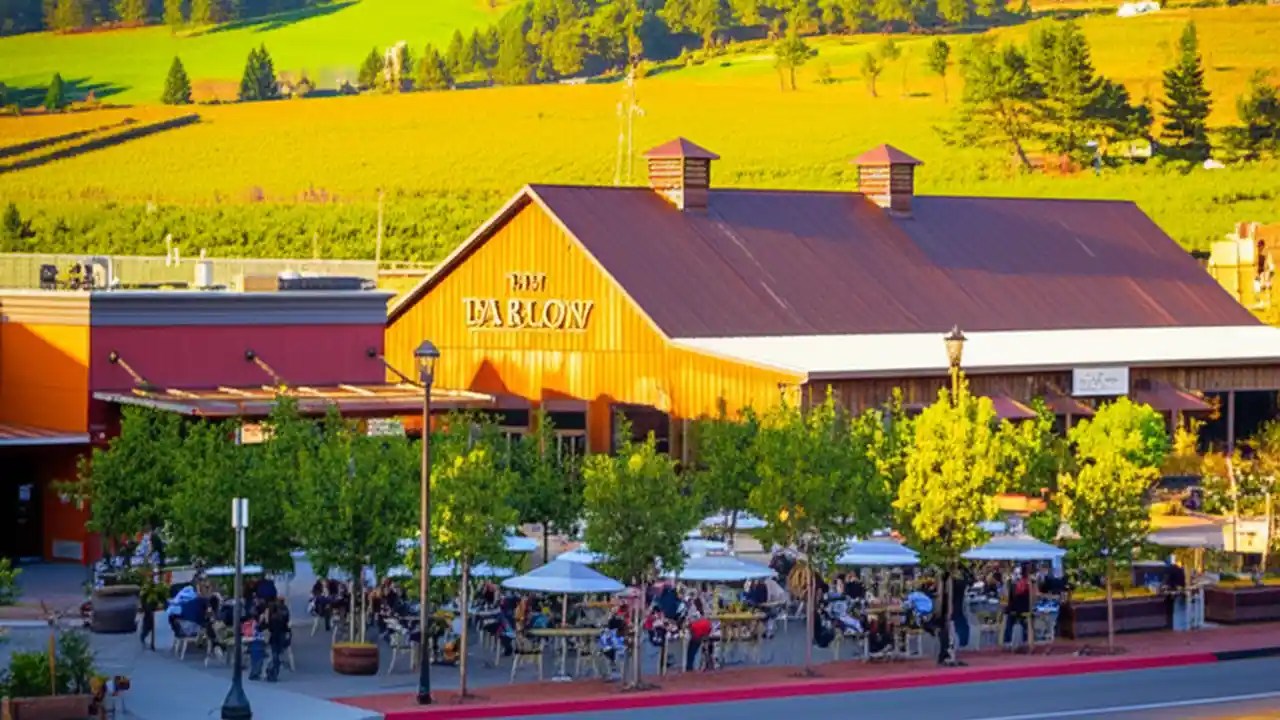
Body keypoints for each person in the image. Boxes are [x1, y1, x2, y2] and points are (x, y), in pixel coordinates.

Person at [1003, 567, 1031, 648]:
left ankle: (1008, 640)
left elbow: (1005, 597)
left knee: (1009, 619)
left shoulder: (1010, 583)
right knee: (1023, 622)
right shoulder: (1027, 582)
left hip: (1013, 609)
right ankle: (1024, 639)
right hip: (1025, 608)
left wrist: (1004, 607)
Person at [265, 598, 291, 682]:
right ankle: (274, 673)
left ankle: (271, 673)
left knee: (274, 655)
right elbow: (286, 624)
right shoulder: (283, 613)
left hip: (274, 637)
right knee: (277, 655)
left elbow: (269, 627)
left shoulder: (272, 617)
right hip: (281, 636)